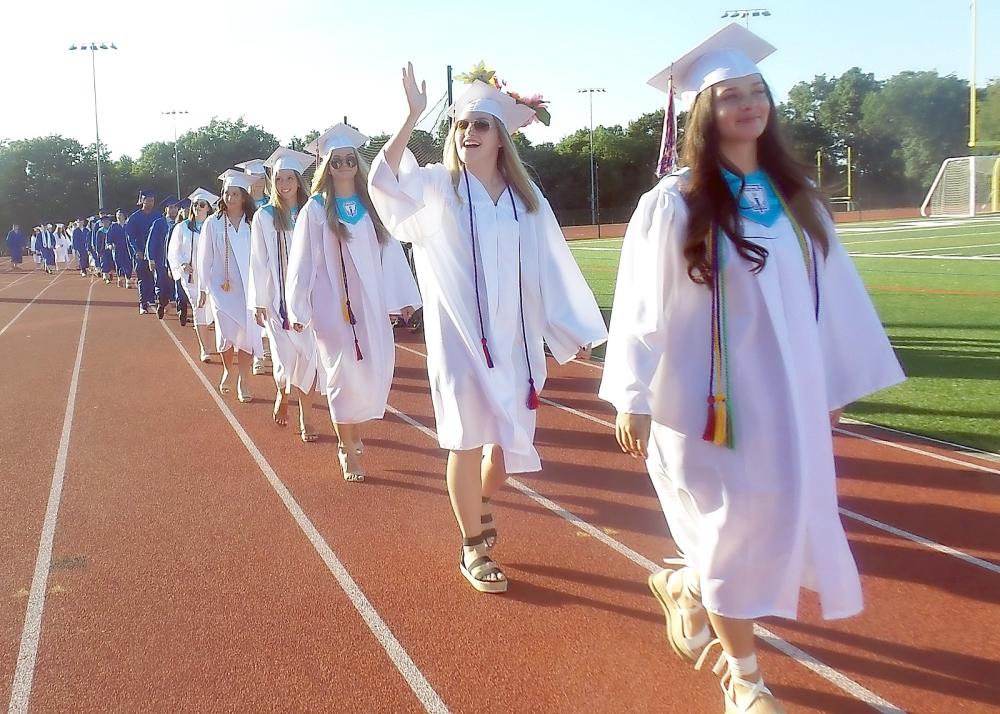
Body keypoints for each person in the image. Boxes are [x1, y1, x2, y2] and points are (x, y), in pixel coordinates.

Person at [598, 24, 906, 714]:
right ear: (705, 114)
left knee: (766, 525)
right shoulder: (675, 203)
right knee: (730, 533)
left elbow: (835, 303)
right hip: (705, 405)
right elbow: (642, 306)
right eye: (730, 94)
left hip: (786, 401)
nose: (747, 104)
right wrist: (631, 393)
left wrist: (831, 385)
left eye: (756, 91)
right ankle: (746, 680)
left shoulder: (797, 201)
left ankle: (685, 587)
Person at [370, 65, 607, 593]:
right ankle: (472, 546)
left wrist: (571, 328)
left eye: (481, 125)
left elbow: (552, 266)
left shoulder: (527, 201)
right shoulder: (436, 187)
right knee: (463, 439)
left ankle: (480, 501)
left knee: (504, 449)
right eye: (462, 126)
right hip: (458, 339)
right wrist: (411, 116)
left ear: (501, 136)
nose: (469, 134)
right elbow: (384, 182)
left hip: (516, 343)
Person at [285, 125, 420, 474]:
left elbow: (389, 253)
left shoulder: (370, 206)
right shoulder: (315, 209)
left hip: (370, 306)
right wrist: (298, 306)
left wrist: (402, 297)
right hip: (332, 307)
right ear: (327, 167)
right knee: (340, 376)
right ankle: (348, 448)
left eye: (349, 159)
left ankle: (352, 434)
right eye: (336, 161)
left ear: (356, 164)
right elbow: (301, 262)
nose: (344, 165)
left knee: (368, 373)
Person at [248, 147, 324, 442]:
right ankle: (282, 391)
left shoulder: (312, 212)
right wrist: (257, 301)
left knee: (308, 358)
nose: (285, 184)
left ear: (299, 180)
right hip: (276, 301)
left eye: (290, 178)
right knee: (284, 356)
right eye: (279, 179)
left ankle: (306, 416)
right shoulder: (264, 216)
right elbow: (257, 260)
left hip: (308, 301)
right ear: (273, 182)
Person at [197, 169, 261, 402]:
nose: (230, 198)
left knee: (246, 334)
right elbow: (204, 258)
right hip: (221, 287)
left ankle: (243, 379)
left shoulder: (254, 222)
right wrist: (203, 288)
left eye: (235, 193)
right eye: (227, 193)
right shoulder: (213, 223)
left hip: (248, 287)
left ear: (244, 196)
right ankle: (227, 369)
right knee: (225, 333)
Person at [168, 188, 217, 357]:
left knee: (215, 308)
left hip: (212, 276)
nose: (197, 207)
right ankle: (205, 348)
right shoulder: (183, 228)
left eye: (202, 205)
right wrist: (182, 263)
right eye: (195, 204)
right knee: (199, 307)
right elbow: (174, 250)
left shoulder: (215, 226)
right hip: (191, 277)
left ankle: (224, 342)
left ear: (208, 208)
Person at [126, 189, 161, 314]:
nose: (150, 203)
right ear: (142, 201)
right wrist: (136, 250)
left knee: (154, 277)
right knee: (142, 278)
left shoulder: (157, 216)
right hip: (140, 252)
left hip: (154, 252)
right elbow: (129, 236)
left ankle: (152, 298)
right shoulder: (134, 218)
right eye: (148, 200)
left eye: (152, 200)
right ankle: (142, 304)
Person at [147, 196, 181, 319]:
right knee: (161, 283)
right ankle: (162, 303)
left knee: (176, 284)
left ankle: (179, 309)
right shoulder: (159, 223)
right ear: (166, 209)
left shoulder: (180, 224)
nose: (173, 210)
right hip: (161, 259)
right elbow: (151, 242)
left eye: (176, 207)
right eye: (171, 207)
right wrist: (151, 259)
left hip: (176, 261)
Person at [111, 209, 133, 287]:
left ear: (124, 216)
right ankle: (120, 277)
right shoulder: (114, 226)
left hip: (127, 248)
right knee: (119, 264)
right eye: (117, 215)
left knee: (128, 264)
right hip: (117, 248)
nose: (118, 216)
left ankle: (128, 279)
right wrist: (110, 244)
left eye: (120, 214)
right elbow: (110, 237)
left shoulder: (128, 226)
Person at [95, 214, 117, 283]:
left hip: (111, 249)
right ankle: (106, 277)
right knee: (104, 263)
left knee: (111, 262)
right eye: (104, 222)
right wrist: (98, 251)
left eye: (107, 222)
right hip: (103, 250)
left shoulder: (112, 230)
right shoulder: (100, 231)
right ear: (102, 223)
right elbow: (97, 242)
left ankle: (110, 273)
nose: (106, 223)